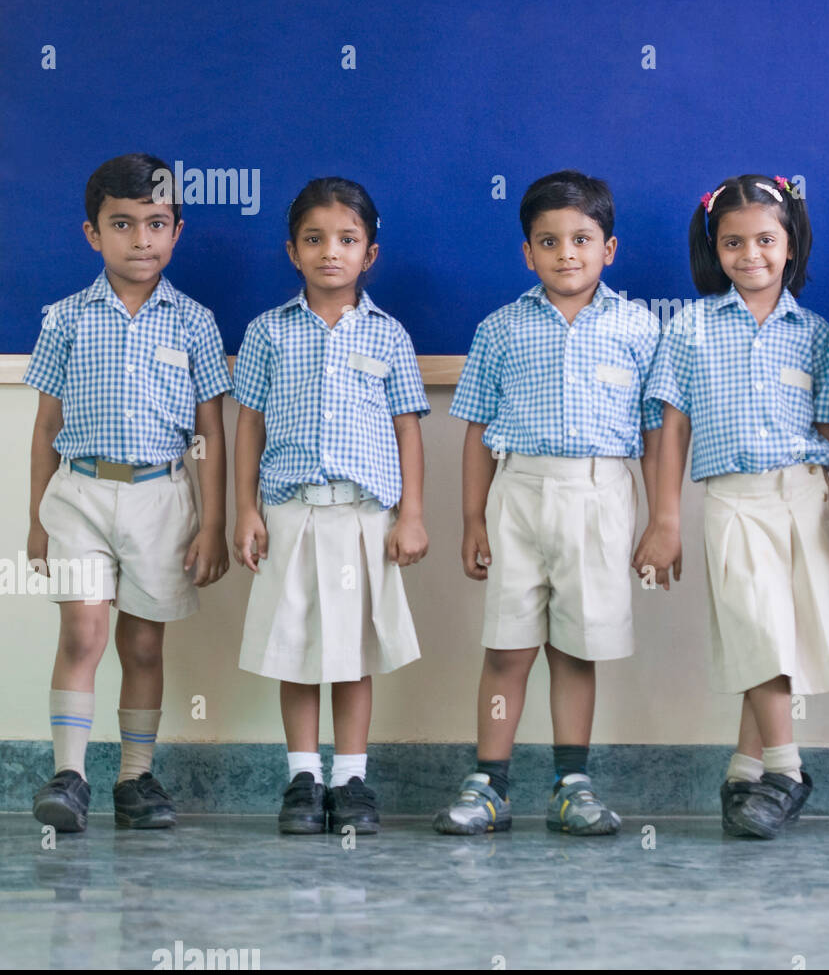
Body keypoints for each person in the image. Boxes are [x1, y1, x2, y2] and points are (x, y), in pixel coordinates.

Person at [434, 170, 661, 836]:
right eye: (549, 241)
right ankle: (491, 785)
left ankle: (572, 783)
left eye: (582, 239)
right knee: (507, 646)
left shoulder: (639, 328)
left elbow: (653, 434)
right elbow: (476, 430)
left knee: (576, 647)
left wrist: (659, 519)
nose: (567, 253)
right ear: (527, 252)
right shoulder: (501, 329)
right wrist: (473, 518)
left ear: (608, 249)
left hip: (600, 493)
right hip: (520, 493)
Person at [635, 174, 829, 839]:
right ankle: (789, 771)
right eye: (733, 242)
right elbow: (670, 429)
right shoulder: (691, 328)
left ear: (791, 245)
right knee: (755, 626)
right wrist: (664, 519)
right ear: (714, 249)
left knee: (777, 640)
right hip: (734, 500)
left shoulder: (813, 331)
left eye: (766, 239)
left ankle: (743, 772)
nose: (750, 254)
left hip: (803, 497)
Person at [27, 153, 231, 832]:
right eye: (123, 224)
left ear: (176, 232)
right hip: (80, 494)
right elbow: (46, 426)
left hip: (160, 500)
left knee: (142, 645)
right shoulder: (65, 318)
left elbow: (208, 432)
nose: (141, 239)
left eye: (156, 224)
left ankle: (136, 779)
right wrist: (36, 521)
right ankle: (70, 774)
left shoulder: (195, 322)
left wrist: (211, 522)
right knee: (83, 631)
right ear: (94, 234)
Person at [232, 178, 428, 835]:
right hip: (290, 509)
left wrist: (412, 514)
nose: (330, 253)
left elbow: (407, 428)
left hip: (363, 516)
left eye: (346, 240)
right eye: (314, 240)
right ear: (293, 251)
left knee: (352, 650)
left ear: (369, 254)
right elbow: (249, 425)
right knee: (294, 647)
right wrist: (247, 509)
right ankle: (302, 779)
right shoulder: (268, 333)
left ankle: (350, 780)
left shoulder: (389, 335)